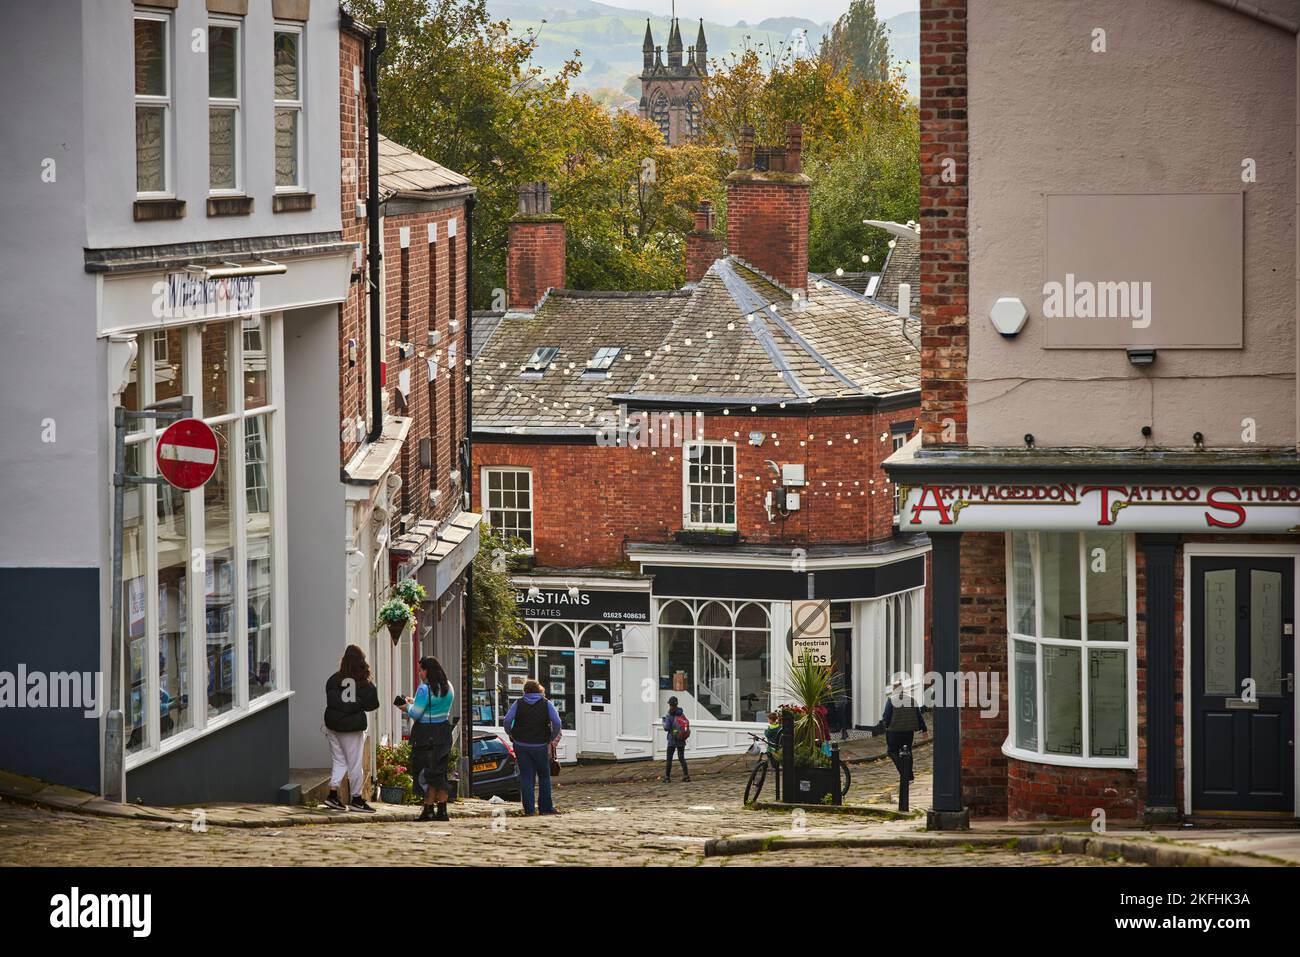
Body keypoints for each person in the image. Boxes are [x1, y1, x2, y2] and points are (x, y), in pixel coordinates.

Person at [322, 644, 381, 812]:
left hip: (332, 725)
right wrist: (358, 704)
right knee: (354, 764)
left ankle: (333, 794)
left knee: (339, 760)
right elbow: (372, 704)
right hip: (352, 728)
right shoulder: (363, 682)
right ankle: (356, 799)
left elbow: (330, 698)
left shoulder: (334, 679)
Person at [401, 656, 455, 822]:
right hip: (444, 732)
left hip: (426, 734)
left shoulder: (424, 689)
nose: (419, 674)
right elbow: (435, 707)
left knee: (426, 771)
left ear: (428, 670)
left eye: (421, 670)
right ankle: (442, 810)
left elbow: (416, 713)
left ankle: (428, 808)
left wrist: (405, 706)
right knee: (440, 771)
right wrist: (415, 702)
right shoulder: (448, 686)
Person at [503, 679, 562, 815]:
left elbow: (507, 720)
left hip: (521, 744)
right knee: (544, 776)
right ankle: (545, 808)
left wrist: (511, 733)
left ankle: (529, 810)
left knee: (526, 777)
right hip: (540, 745)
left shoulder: (518, 703)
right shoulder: (546, 703)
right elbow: (557, 722)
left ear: (525, 691)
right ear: (540, 690)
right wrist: (551, 737)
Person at [877, 677, 926, 782]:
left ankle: (904, 773)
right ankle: (910, 776)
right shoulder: (911, 699)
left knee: (892, 752)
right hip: (908, 732)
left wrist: (886, 726)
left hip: (894, 732)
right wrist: (924, 729)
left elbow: (886, 717)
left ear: (894, 689)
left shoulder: (891, 700)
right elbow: (918, 715)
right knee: (908, 752)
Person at [662, 695, 690, 782]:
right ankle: (686, 776)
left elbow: (666, 728)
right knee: (681, 758)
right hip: (681, 739)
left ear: (670, 704)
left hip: (672, 740)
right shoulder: (681, 713)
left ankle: (667, 777)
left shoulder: (669, 714)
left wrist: (663, 721)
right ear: (677, 704)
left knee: (669, 758)